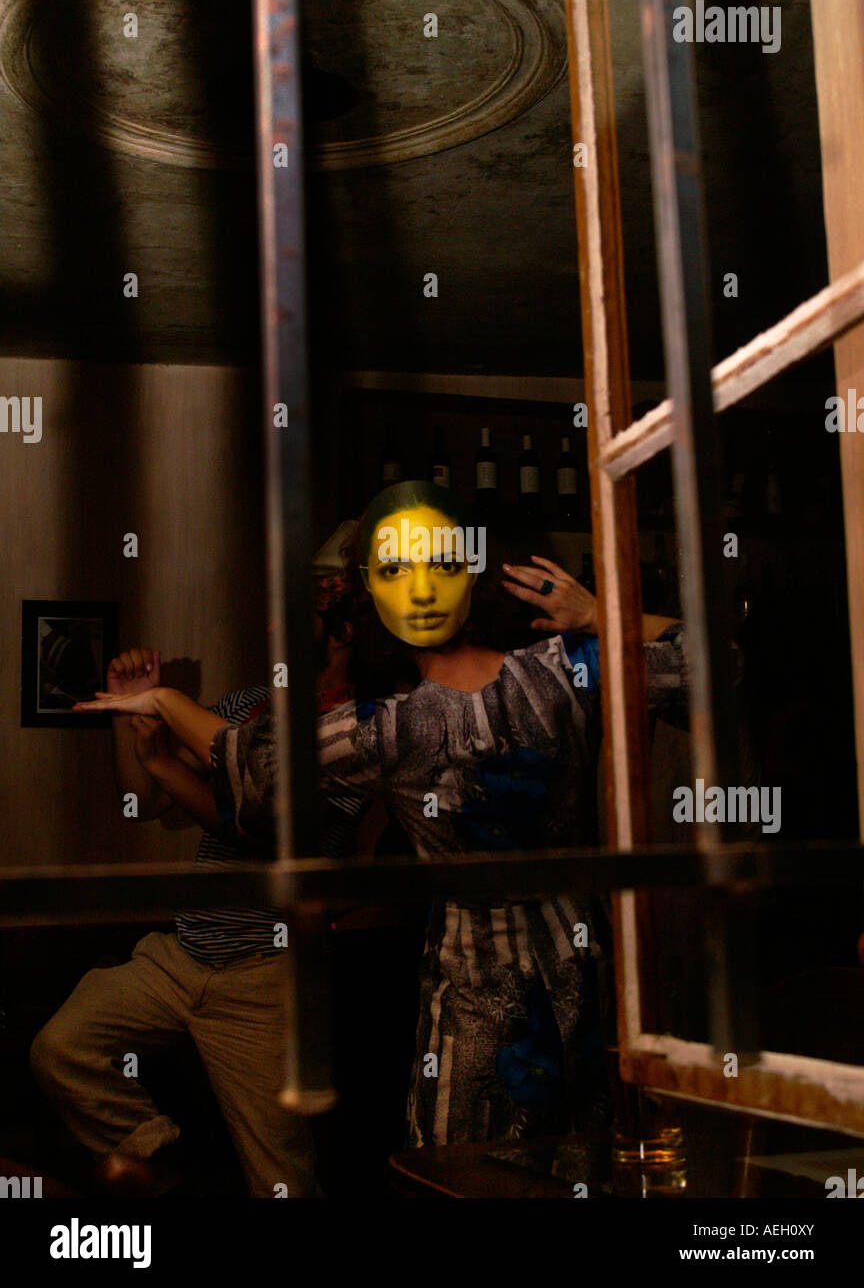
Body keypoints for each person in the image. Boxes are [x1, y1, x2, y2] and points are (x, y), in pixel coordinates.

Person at [74, 481, 687, 1147]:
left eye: (441, 564)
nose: (421, 592)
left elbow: (253, 767)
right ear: (369, 590)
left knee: (454, 1174)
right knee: (576, 1165)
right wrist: (600, 613)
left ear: (473, 572)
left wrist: (164, 702)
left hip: (475, 995)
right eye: (396, 570)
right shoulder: (566, 669)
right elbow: (715, 661)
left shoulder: (389, 730)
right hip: (583, 970)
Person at [31, 576, 358, 1197]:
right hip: (181, 954)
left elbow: (257, 829)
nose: (272, 629)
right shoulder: (240, 708)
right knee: (61, 1048)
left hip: (264, 973)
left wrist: (163, 728)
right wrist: (131, 720)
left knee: (281, 1177)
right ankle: (161, 1163)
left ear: (342, 634)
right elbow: (142, 800)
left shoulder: (354, 727)